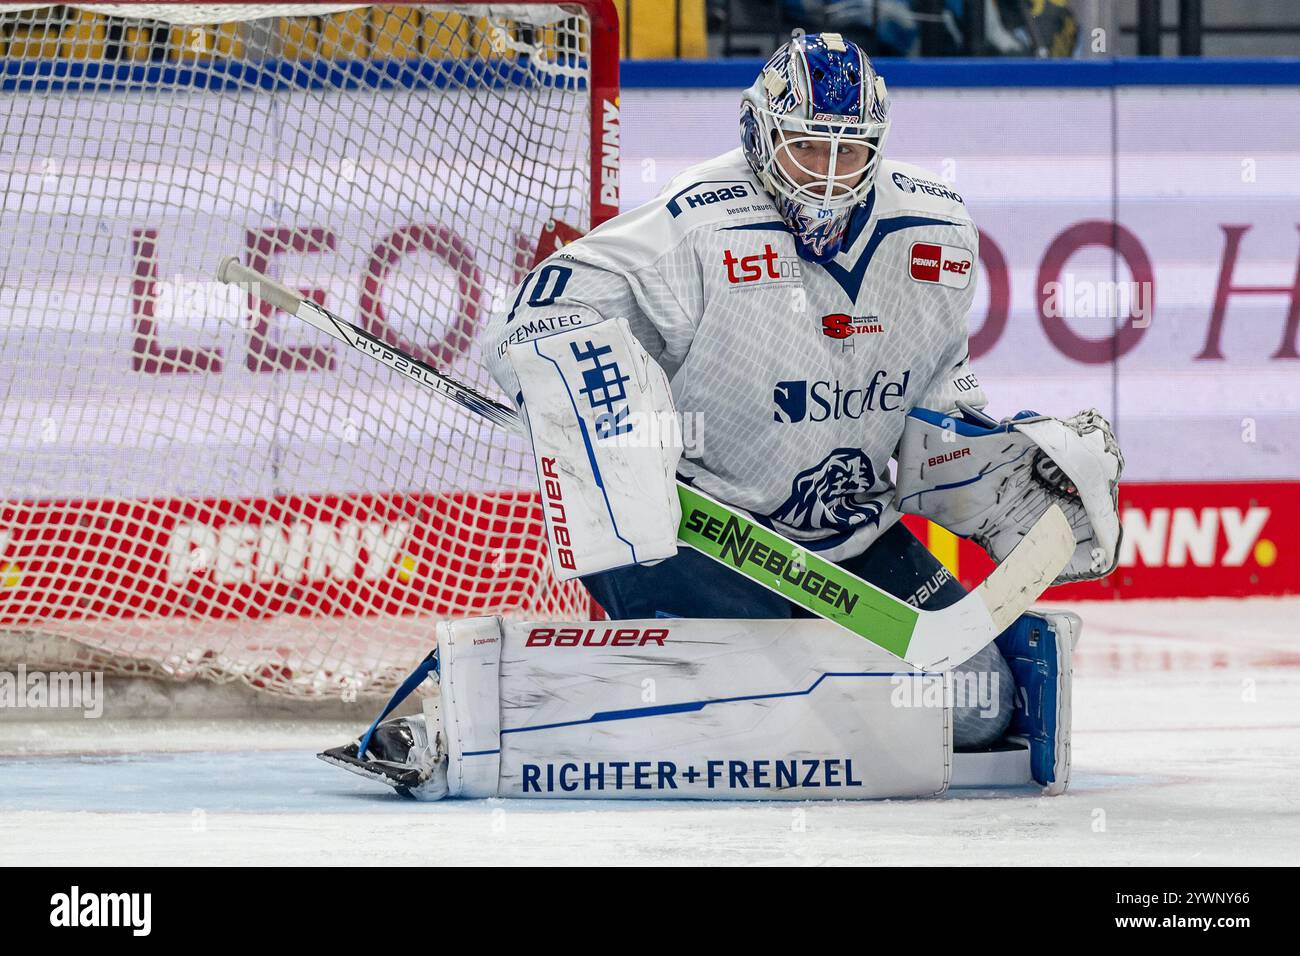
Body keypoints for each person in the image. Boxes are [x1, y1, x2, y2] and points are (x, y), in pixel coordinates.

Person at [321, 32, 1122, 800]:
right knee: (744, 707)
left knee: (979, 709)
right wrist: (600, 404)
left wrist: (1007, 467)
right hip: (694, 538)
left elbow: (936, 406)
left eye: (851, 153)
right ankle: (472, 712)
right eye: (807, 148)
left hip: (852, 540)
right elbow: (534, 318)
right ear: (759, 133)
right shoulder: (694, 225)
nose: (829, 177)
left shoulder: (938, 233)